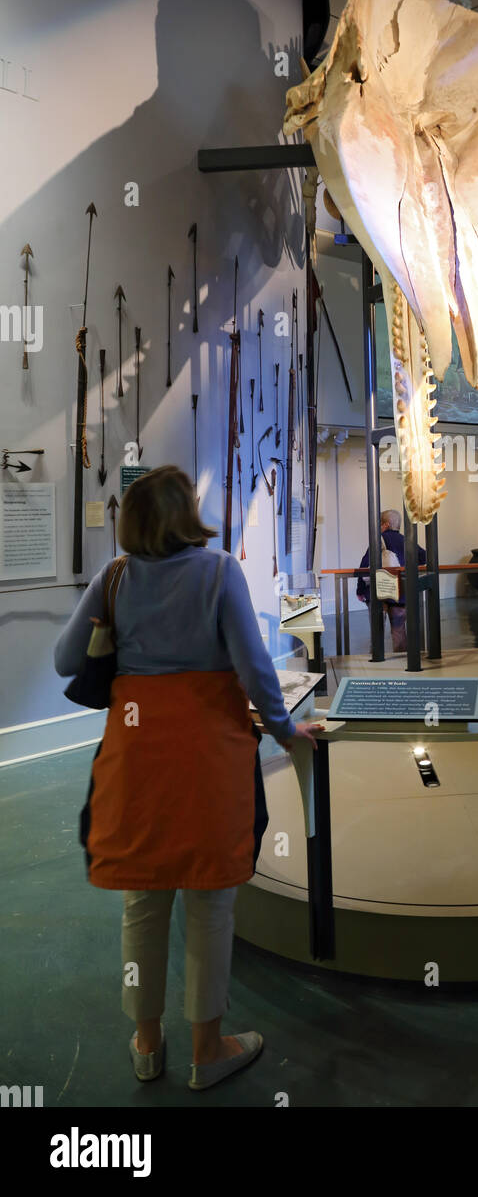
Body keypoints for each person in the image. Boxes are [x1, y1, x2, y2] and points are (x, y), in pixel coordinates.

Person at [54, 466, 322, 1091]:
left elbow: (68, 661)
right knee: (210, 900)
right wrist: (286, 731)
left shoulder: (113, 578)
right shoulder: (220, 571)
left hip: (137, 756)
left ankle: (147, 1043)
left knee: (143, 899)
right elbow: (255, 671)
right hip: (208, 758)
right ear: (183, 513)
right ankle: (209, 1047)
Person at [356, 509, 426, 654]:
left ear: (386, 524)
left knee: (377, 632)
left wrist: (360, 590)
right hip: (400, 593)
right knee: (399, 631)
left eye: (380, 523)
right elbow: (424, 557)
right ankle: (402, 663)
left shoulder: (378, 540)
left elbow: (364, 566)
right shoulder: (407, 541)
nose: (379, 526)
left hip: (378, 593)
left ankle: (376, 663)